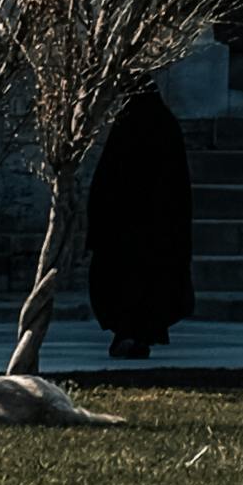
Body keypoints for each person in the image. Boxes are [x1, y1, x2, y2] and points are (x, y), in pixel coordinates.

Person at [84, 85, 194, 363]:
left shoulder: (127, 130)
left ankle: (129, 335)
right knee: (148, 285)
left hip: (125, 230)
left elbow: (106, 184)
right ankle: (139, 335)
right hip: (156, 229)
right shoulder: (165, 126)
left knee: (126, 285)